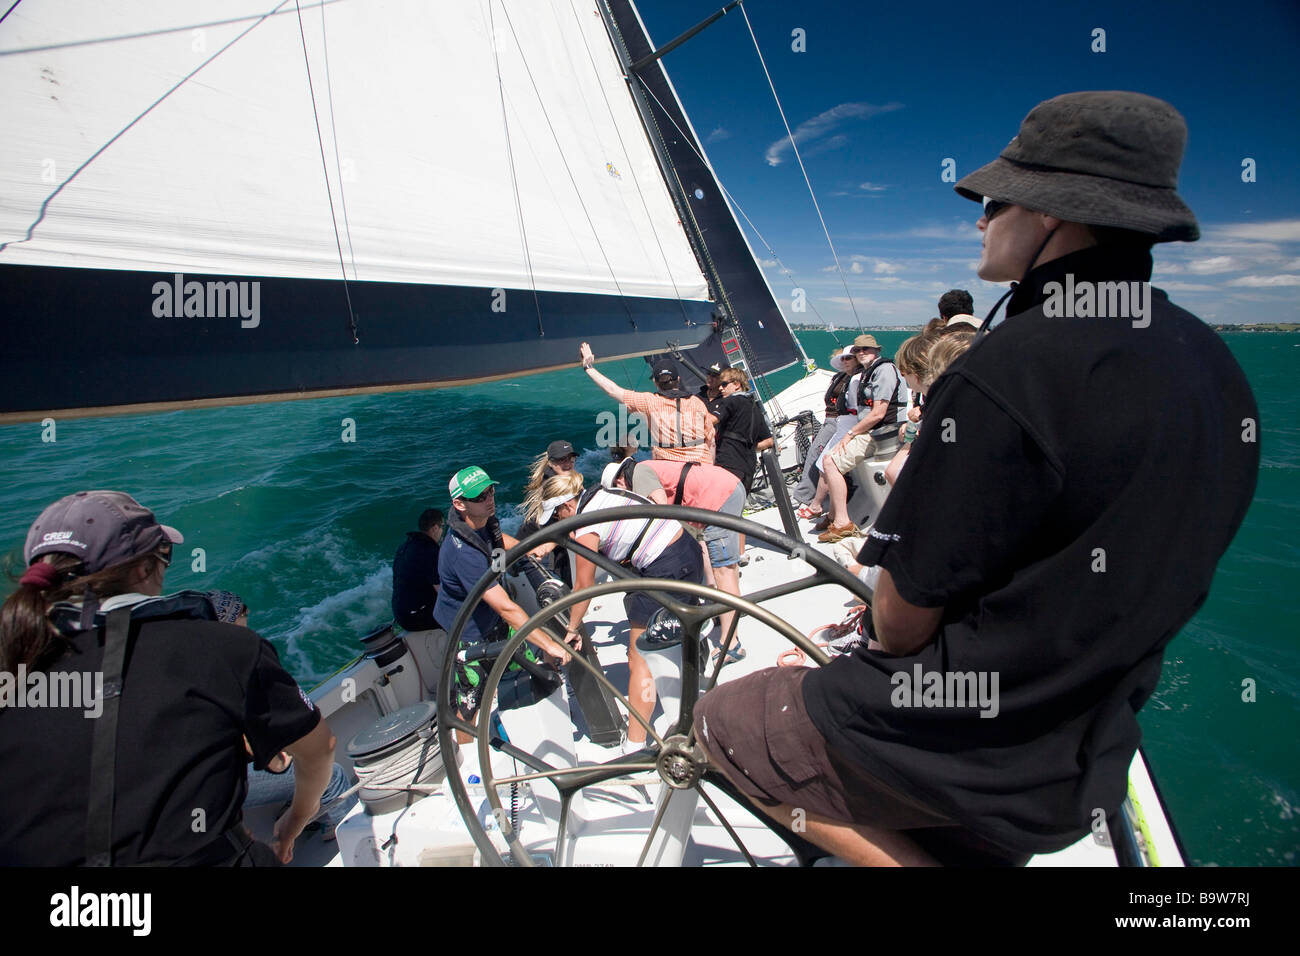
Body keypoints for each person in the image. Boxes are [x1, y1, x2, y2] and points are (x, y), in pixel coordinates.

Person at [693, 91, 1258, 866]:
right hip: (1084, 754)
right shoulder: (1212, 366)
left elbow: (901, 621)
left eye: (995, 202)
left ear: (1055, 216)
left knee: (729, 721)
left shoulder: (1011, 367)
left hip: (971, 745)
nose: (980, 219)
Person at [0, 491, 335, 866]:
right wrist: (295, 820)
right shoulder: (221, 648)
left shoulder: (16, 663)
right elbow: (321, 749)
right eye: (164, 555)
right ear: (143, 569)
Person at [529, 470, 703, 751]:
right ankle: (690, 709)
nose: (559, 523)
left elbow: (584, 586)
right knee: (674, 638)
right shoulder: (602, 495)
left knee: (640, 659)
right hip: (686, 550)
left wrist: (571, 629)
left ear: (565, 507)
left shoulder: (587, 529)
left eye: (556, 516)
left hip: (665, 566)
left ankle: (635, 745)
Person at [206, 590, 359, 841]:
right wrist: (278, 761)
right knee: (332, 776)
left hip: (183, 787)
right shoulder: (238, 660)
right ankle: (355, 839)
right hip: (217, 783)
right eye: (243, 610)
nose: (248, 615)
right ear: (231, 620)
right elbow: (320, 746)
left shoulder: (196, 667)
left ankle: (306, 811)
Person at [432, 466, 574, 725]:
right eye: (480, 497)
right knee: (470, 702)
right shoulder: (463, 553)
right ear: (459, 504)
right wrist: (549, 644)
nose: (489, 499)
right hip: (468, 635)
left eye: (490, 491)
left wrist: (527, 549)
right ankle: (466, 756)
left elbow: (499, 540)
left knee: (530, 668)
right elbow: (506, 608)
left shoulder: (484, 521)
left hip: (494, 622)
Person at [608, 456, 747, 665]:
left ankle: (732, 644)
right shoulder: (646, 467)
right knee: (717, 562)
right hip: (725, 488)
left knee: (724, 571)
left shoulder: (639, 473)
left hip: (719, 498)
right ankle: (722, 610)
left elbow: (662, 508)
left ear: (619, 482)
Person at [815, 335, 906, 542]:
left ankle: (841, 522)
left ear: (877, 350)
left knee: (831, 462)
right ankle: (836, 518)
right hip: (873, 432)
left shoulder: (883, 371)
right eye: (858, 350)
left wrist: (850, 433)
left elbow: (878, 413)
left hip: (883, 434)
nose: (861, 352)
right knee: (829, 460)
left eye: (866, 349)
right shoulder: (869, 372)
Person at [578, 342, 715, 463]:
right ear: (678, 379)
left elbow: (613, 390)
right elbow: (711, 441)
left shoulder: (649, 401)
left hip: (669, 468)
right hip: (701, 464)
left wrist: (588, 367)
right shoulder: (697, 403)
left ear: (655, 382)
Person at [792, 348, 856, 506]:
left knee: (817, 455)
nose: (845, 361)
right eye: (843, 359)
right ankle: (809, 495)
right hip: (830, 420)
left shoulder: (855, 379)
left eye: (849, 358)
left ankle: (805, 496)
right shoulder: (839, 377)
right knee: (816, 456)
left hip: (838, 422)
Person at [711, 367, 774, 494]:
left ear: (736, 385)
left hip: (727, 461)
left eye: (724, 384)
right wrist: (748, 447)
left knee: (721, 504)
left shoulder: (730, 400)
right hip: (748, 466)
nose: (720, 388)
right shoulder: (754, 406)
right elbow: (769, 441)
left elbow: (711, 420)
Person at [392, 507, 445, 632]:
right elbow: (442, 592)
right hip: (415, 617)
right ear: (435, 528)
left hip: (400, 614)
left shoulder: (405, 546)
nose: (442, 531)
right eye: (442, 526)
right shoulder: (429, 551)